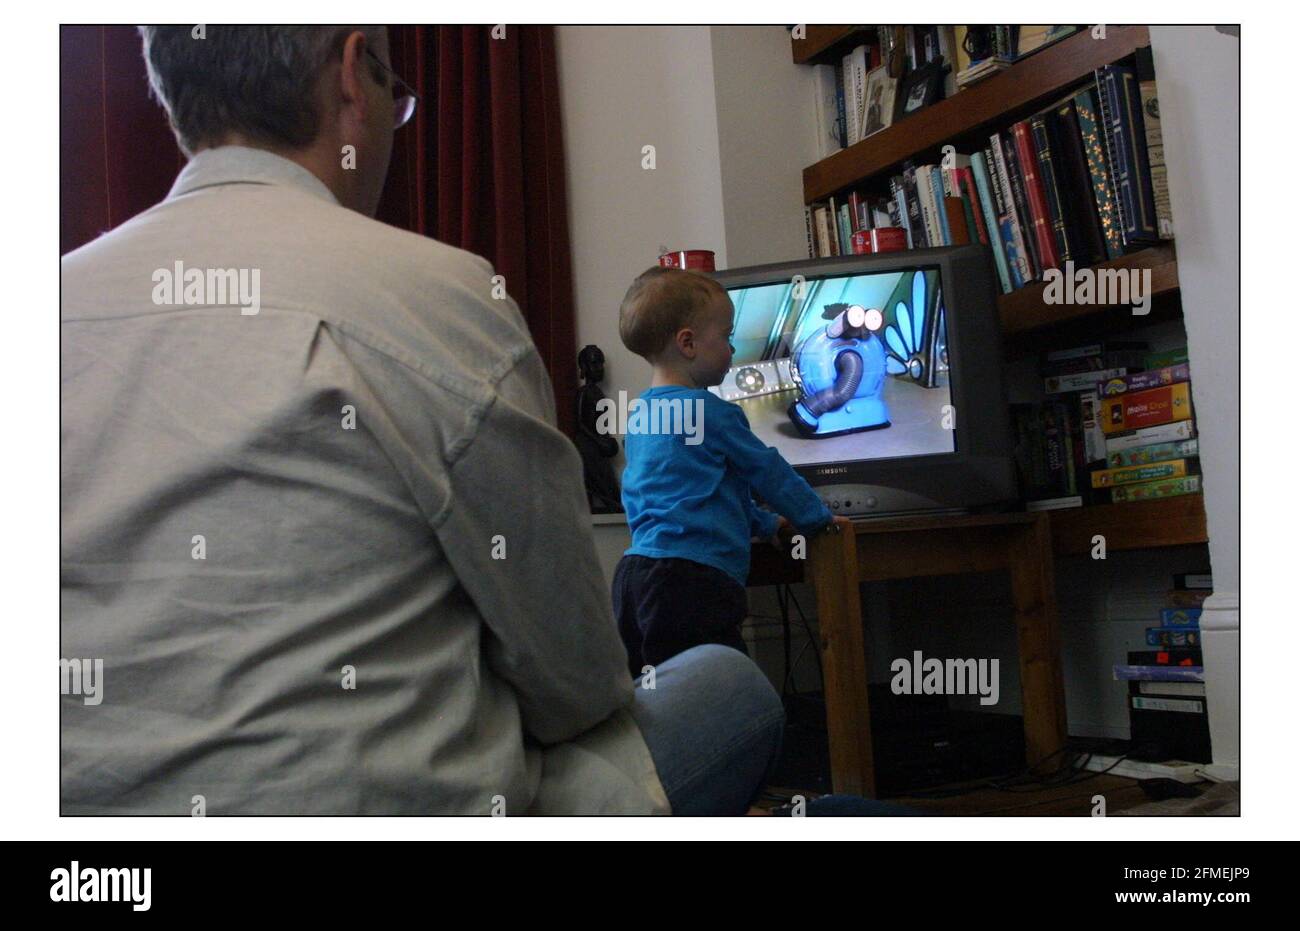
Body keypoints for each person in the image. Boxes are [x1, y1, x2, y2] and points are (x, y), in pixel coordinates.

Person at [60, 26, 782, 816]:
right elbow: (577, 683)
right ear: (348, 74)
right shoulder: (443, 292)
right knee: (727, 683)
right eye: (390, 94)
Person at [613, 266, 848, 677]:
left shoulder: (639, 416)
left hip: (635, 578)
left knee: (655, 699)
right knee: (718, 692)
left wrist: (765, 523)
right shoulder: (713, 413)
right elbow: (767, 472)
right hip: (691, 581)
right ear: (687, 343)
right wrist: (817, 519)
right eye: (726, 337)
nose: (733, 350)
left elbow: (700, 490)